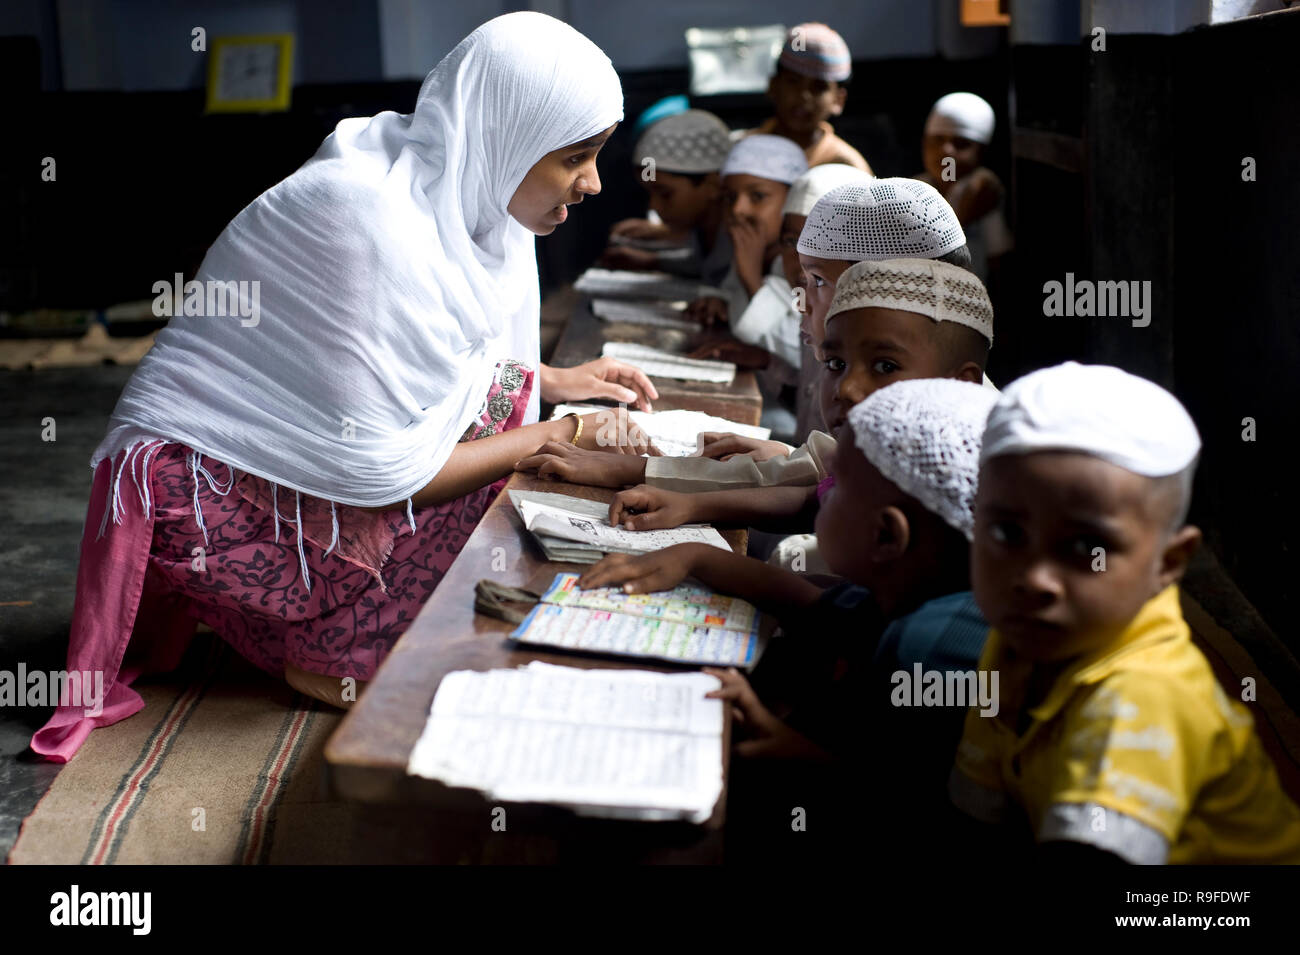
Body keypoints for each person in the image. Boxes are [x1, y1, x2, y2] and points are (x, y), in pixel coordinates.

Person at [31, 12, 657, 762]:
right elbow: (389, 476)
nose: (592, 183)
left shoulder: (469, 200)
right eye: (577, 159)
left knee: (505, 419)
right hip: (195, 495)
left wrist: (554, 381)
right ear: (506, 136)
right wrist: (558, 428)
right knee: (512, 448)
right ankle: (333, 646)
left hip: (273, 481)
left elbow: (454, 362)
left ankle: (322, 625)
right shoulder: (372, 222)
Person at [950, 362, 1300, 863]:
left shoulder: (1146, 694)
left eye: (1086, 546)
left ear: (1170, 563)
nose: (1033, 579)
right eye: (1007, 534)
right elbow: (978, 814)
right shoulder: (1015, 640)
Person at [601, 109, 733, 277]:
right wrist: (652, 261)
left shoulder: (741, 236)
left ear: (714, 186)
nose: (654, 206)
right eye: (650, 194)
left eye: (665, 194)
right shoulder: (703, 230)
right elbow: (702, 265)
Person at [746, 22, 872, 172]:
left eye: (819, 87)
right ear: (773, 86)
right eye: (794, 81)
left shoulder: (848, 168)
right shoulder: (740, 151)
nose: (804, 95)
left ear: (838, 100)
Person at [915, 92, 1012, 282]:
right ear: (924, 144)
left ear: (981, 152)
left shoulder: (984, 188)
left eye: (961, 143)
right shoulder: (911, 189)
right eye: (937, 140)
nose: (947, 151)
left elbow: (1000, 266)